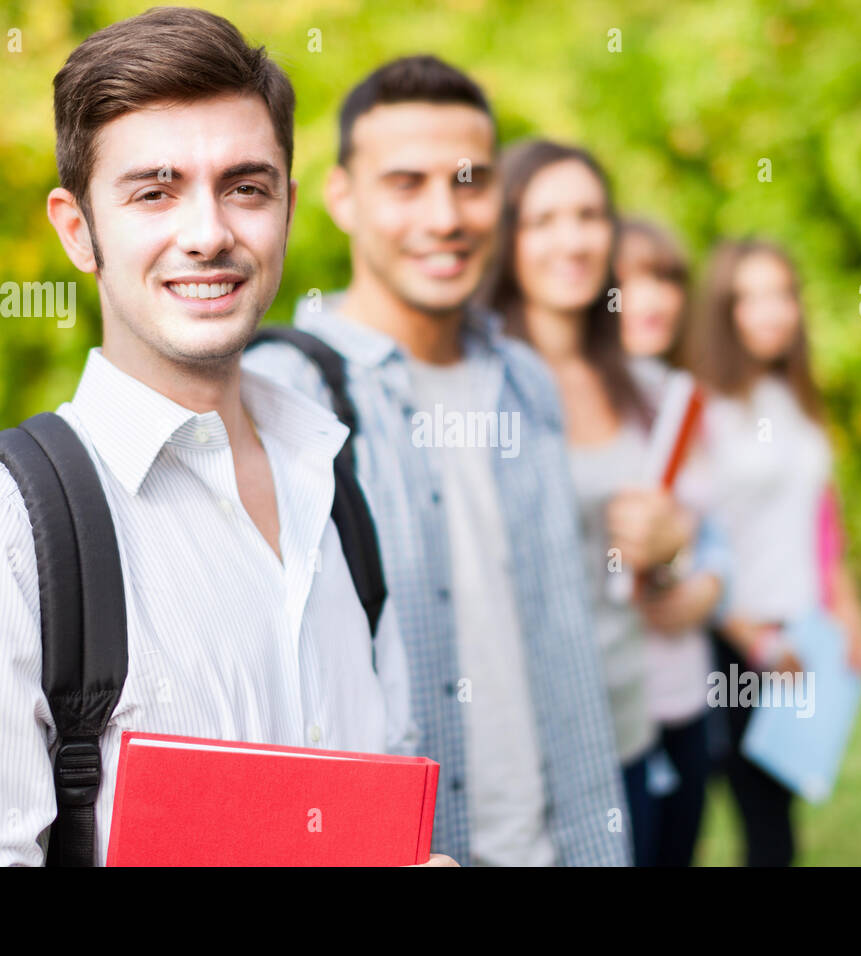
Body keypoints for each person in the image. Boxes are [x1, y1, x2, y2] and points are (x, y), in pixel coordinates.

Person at [0, 7, 456, 866]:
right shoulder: (4, 546)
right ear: (78, 230)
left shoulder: (335, 485)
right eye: (154, 191)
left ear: (287, 209)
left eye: (245, 187)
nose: (209, 233)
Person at [244, 59, 629, 866]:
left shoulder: (527, 379)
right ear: (342, 198)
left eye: (469, 181)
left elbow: (564, 639)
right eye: (406, 183)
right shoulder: (284, 396)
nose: (445, 214)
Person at [479, 139, 726, 866]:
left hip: (634, 718)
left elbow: (690, 535)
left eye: (589, 216)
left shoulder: (641, 384)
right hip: (534, 743)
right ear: (507, 238)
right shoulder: (479, 382)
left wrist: (675, 549)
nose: (573, 239)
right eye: (543, 219)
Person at [685, 238, 861, 866]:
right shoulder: (702, 407)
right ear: (723, 310)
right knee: (757, 823)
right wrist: (761, 646)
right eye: (751, 297)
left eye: (782, 294)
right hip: (738, 645)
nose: (772, 312)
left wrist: (849, 614)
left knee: (779, 826)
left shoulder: (796, 397)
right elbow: (694, 546)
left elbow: (821, 517)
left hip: (805, 637)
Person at [614, 215, 716, 867]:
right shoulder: (573, 400)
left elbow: (718, 530)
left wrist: (710, 579)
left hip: (688, 688)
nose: (654, 299)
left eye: (667, 279)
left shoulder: (683, 398)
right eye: (630, 282)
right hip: (617, 704)